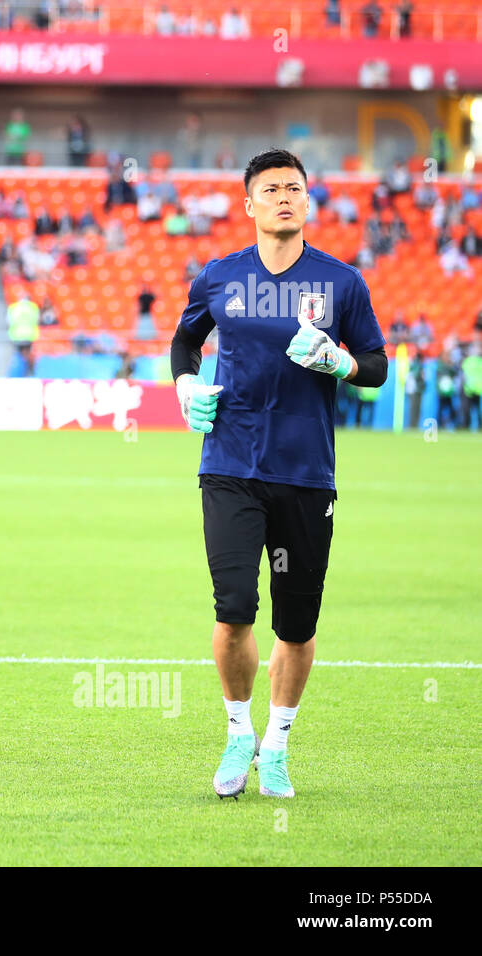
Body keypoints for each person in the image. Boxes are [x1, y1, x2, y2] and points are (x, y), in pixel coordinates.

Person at [169, 149, 387, 800]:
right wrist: (185, 385)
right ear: (249, 205)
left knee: (296, 625)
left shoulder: (342, 283)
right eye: (271, 189)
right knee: (234, 609)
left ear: (308, 202)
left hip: (306, 472)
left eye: (295, 188)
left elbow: (376, 366)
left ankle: (277, 744)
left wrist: (338, 361)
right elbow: (185, 341)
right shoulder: (220, 277)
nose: (284, 197)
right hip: (229, 465)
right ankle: (239, 730)